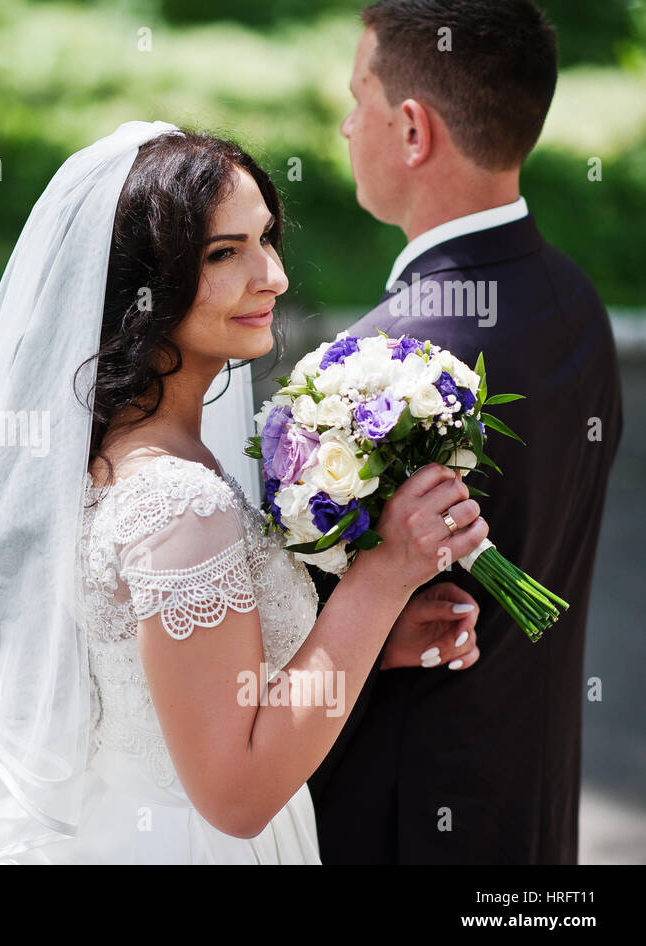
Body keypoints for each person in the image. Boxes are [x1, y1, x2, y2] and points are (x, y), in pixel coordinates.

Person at [0, 120, 487, 864]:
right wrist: (384, 572)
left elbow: (166, 673)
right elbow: (234, 794)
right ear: (143, 288)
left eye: (265, 239)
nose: (272, 276)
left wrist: (364, 639)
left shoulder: (118, 450)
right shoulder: (177, 503)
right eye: (225, 254)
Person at [307, 0, 625, 863]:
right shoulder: (579, 307)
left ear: (412, 129)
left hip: (398, 824)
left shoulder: (380, 364)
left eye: (358, 95)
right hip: (531, 821)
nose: (344, 124)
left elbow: (309, 648)